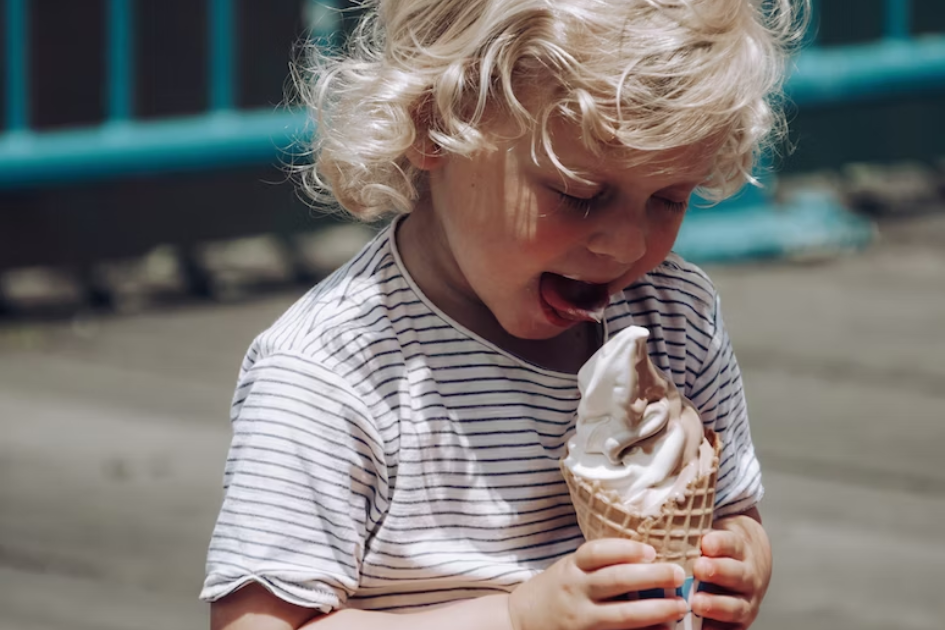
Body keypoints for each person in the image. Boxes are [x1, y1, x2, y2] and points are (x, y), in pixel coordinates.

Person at [202, 0, 805, 628]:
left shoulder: (674, 316)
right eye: (579, 195)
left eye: (668, 199)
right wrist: (518, 618)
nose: (626, 246)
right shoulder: (329, 373)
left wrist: (741, 558)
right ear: (435, 125)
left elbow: (732, 507)